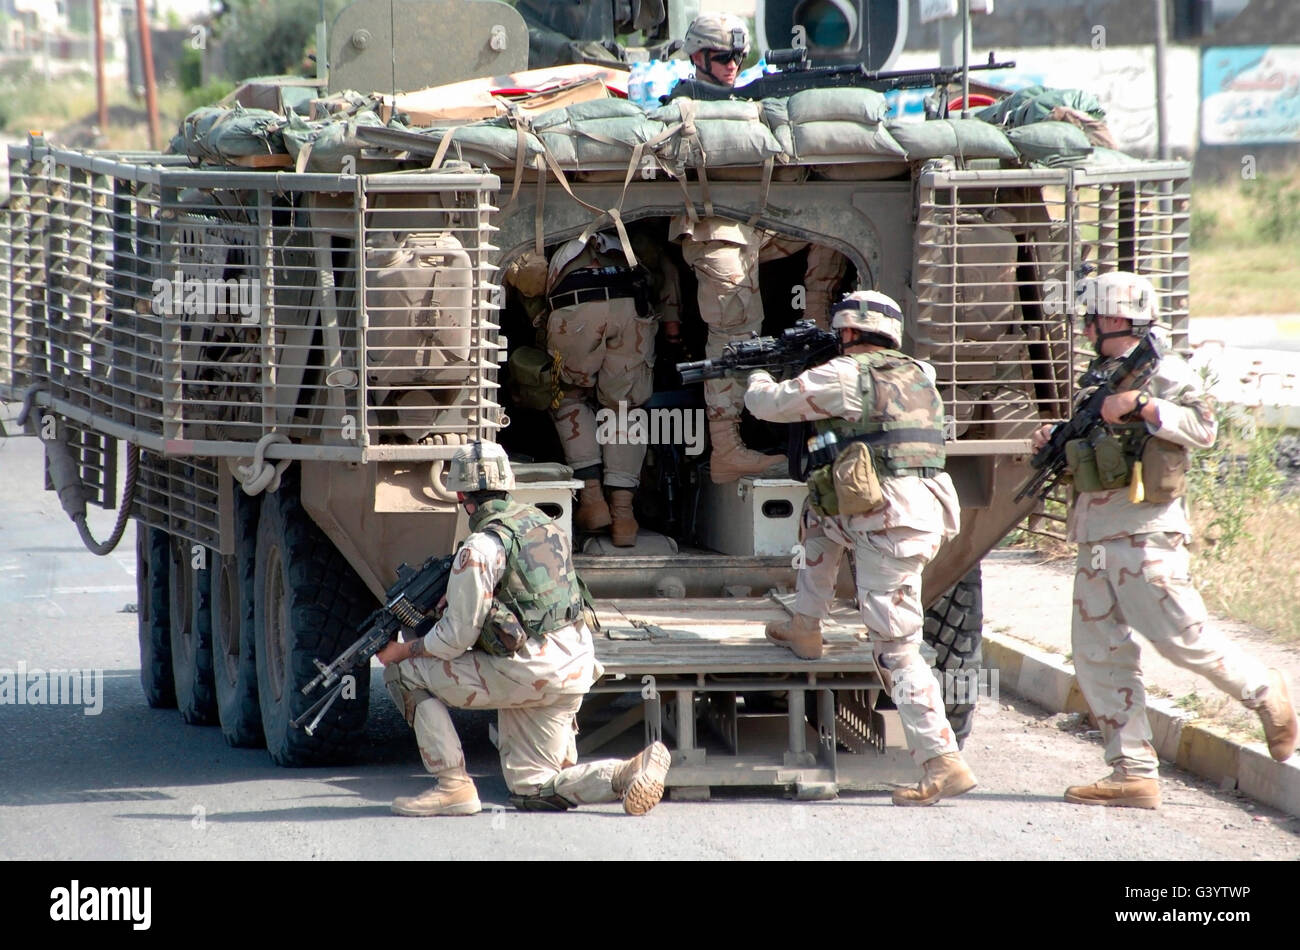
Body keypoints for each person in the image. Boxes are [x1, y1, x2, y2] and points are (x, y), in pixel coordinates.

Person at [1032, 271, 1298, 809]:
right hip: (1097, 537)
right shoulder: (1097, 377)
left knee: (1180, 637)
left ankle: (1266, 692)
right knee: (1097, 656)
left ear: (1112, 319)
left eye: (1090, 321)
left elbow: (1204, 429)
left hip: (1146, 533)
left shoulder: (1164, 371)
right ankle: (1132, 770)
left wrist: (1144, 408)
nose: (1084, 331)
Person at [744, 291, 977, 806]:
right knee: (818, 516)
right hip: (916, 507)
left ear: (847, 333)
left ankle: (942, 761)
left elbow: (768, 405)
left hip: (889, 522)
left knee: (895, 647)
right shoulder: (922, 372)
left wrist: (760, 375)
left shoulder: (845, 376)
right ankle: (806, 625)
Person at [378, 441, 671, 816]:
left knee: (403, 674)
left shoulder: (479, 548)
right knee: (532, 789)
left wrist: (404, 650)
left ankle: (453, 787)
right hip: (573, 667)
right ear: (507, 484)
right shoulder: (543, 526)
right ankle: (625, 773)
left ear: (461, 494)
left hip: (527, 670)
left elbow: (454, 640)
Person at [671, 12, 847, 483]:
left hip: (765, 222)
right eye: (722, 57)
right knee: (733, 319)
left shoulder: (750, 100)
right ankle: (728, 449)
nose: (732, 65)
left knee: (835, 232)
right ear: (698, 57)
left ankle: (818, 327)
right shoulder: (682, 104)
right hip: (714, 226)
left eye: (737, 57)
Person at [545, 230, 680, 545]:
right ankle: (623, 515)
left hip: (573, 309)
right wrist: (672, 317)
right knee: (625, 406)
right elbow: (666, 265)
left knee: (563, 395)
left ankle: (592, 501)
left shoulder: (549, 225)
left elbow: (527, 276)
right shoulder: (628, 226)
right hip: (630, 307)